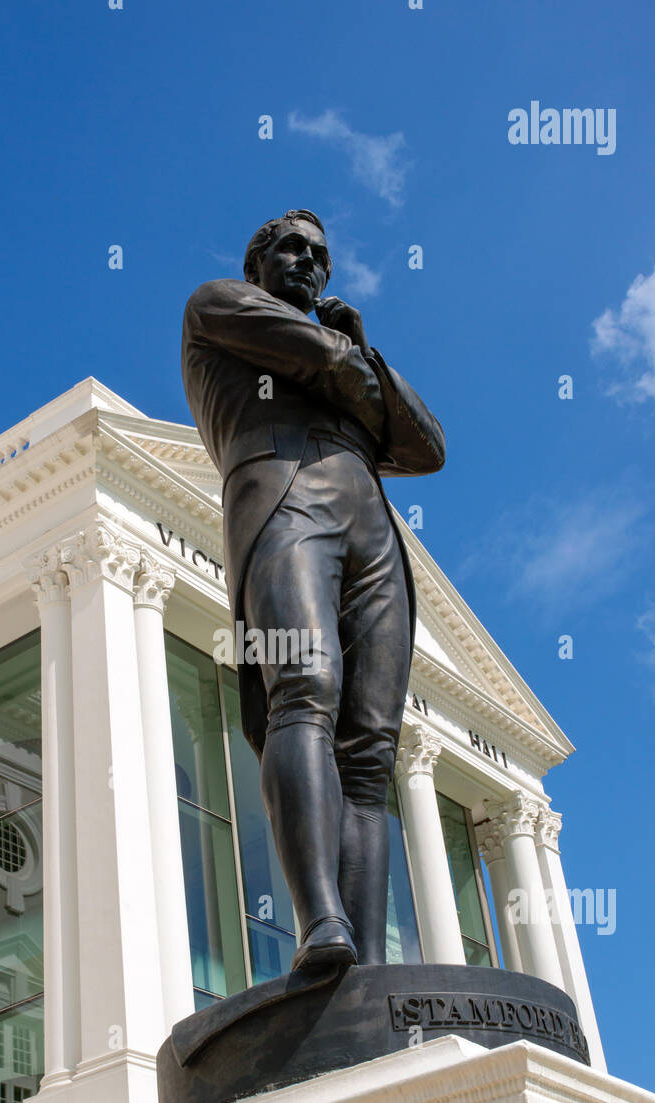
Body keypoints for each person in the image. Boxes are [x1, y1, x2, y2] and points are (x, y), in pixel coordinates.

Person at [181, 209, 445, 971]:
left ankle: (358, 960)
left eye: (320, 257)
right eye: (291, 249)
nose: (308, 263)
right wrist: (349, 366)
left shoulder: (338, 342)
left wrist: (363, 352)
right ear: (257, 259)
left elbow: (424, 447)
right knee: (303, 687)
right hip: (283, 500)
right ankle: (319, 922)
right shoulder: (219, 303)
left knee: (369, 750)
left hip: (372, 528)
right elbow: (322, 365)